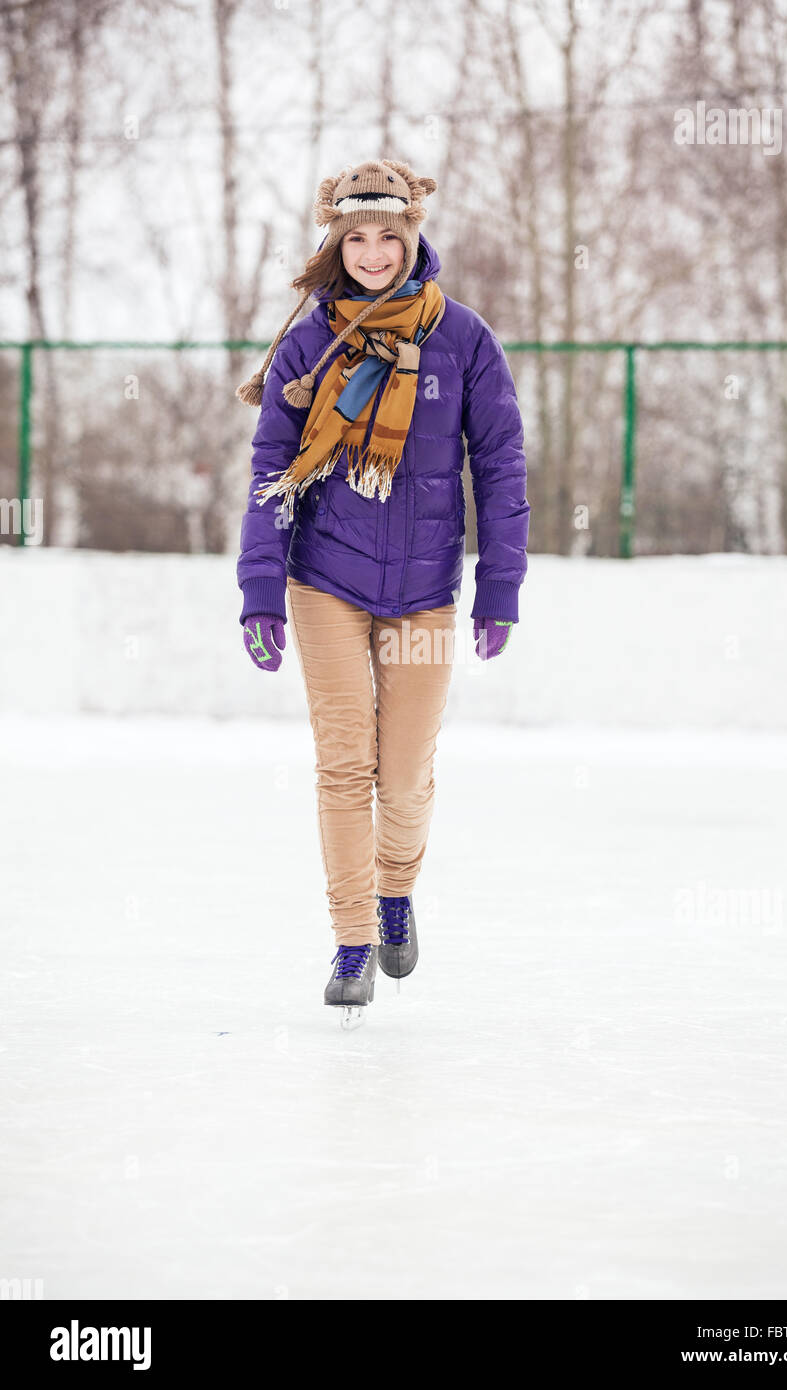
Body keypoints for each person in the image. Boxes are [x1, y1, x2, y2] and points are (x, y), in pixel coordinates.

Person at [234, 158, 530, 1027]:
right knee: (343, 765)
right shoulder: (308, 341)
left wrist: (499, 587)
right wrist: (260, 587)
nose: (370, 253)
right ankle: (353, 938)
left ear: (411, 240)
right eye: (354, 238)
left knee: (402, 778)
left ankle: (397, 892)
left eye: (386, 237)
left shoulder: (463, 338)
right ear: (336, 243)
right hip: (324, 581)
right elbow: (271, 467)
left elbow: (502, 462)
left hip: (427, 591)